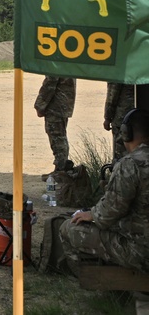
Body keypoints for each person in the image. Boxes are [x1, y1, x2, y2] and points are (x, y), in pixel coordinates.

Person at [61, 108, 149, 313]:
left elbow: (107, 215)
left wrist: (91, 214)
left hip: (140, 252)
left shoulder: (130, 164)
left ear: (126, 134)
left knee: (69, 229)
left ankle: (106, 286)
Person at [35, 75, 77, 174]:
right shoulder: (66, 61)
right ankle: (61, 167)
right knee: (60, 136)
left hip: (56, 104)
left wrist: (40, 104)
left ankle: (61, 169)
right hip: (63, 103)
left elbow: (50, 83)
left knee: (57, 137)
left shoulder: (56, 62)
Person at [106, 82, 137, 164]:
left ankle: (120, 173)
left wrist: (107, 117)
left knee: (120, 155)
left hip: (122, 117)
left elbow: (112, 95)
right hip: (140, 117)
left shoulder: (120, 71)